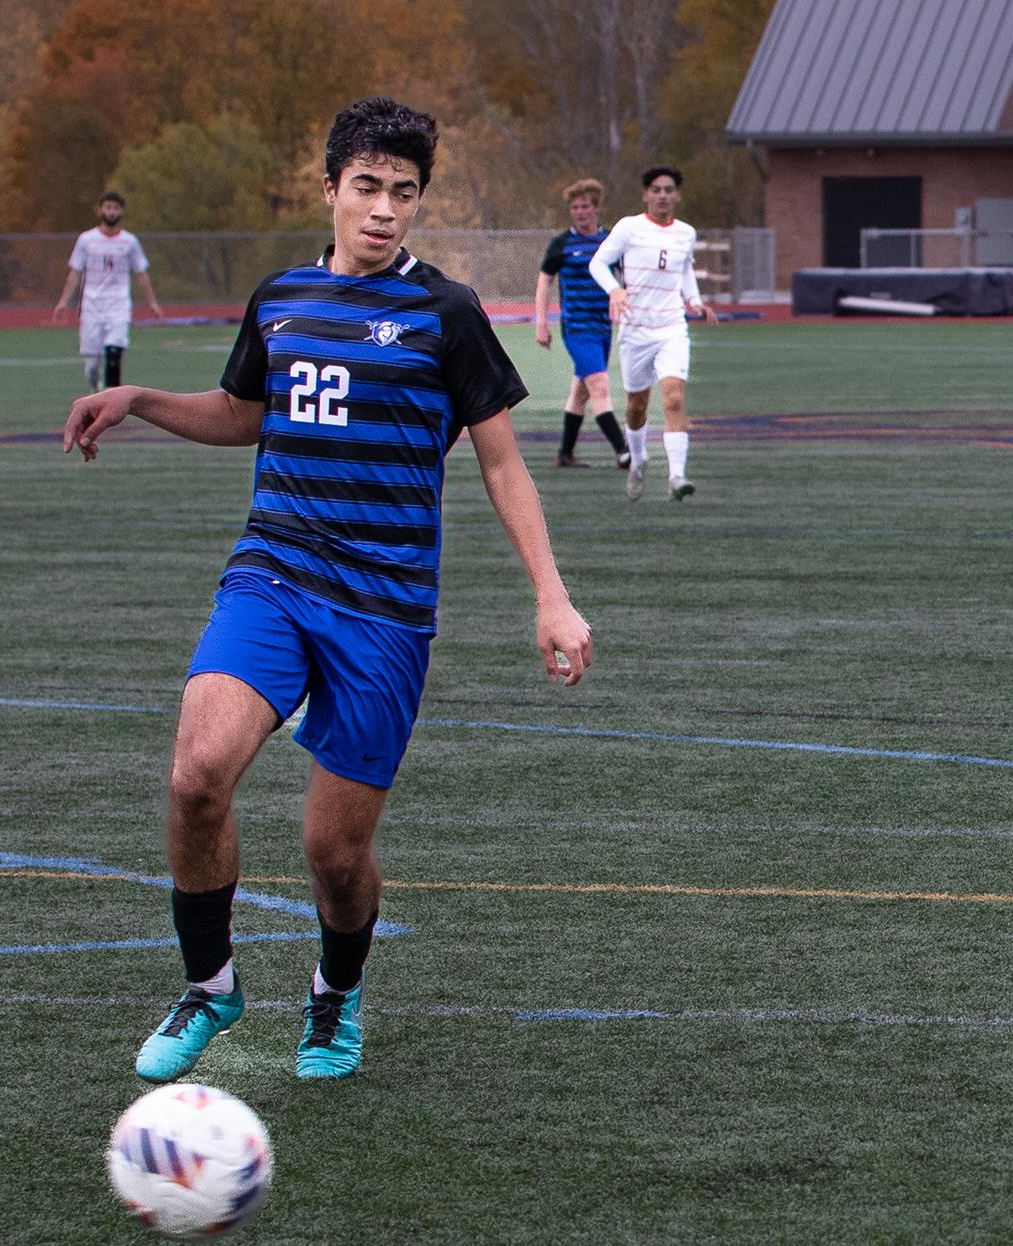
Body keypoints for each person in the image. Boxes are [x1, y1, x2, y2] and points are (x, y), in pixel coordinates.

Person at [62, 97, 593, 1083]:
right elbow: (241, 412)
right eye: (367, 188)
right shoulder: (282, 298)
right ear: (330, 190)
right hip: (272, 573)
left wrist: (550, 596)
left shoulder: (447, 313)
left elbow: (502, 466)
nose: (385, 209)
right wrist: (138, 398)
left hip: (384, 609)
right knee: (195, 774)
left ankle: (335, 994)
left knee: (333, 856)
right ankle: (211, 985)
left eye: (404, 192)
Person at [590, 165, 718, 501]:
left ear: (677, 195)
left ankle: (677, 476)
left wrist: (695, 301)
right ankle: (639, 460)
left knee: (674, 397)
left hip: (672, 327)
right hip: (635, 330)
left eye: (669, 190)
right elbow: (598, 264)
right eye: (656, 190)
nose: (663, 195)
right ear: (646, 194)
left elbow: (685, 268)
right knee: (636, 405)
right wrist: (616, 290)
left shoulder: (685, 233)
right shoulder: (629, 228)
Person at [535, 177, 629, 470]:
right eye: (574, 207)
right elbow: (544, 282)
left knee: (581, 391)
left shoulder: (610, 242)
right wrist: (541, 322)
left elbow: (628, 278)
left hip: (603, 327)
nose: (579, 212)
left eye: (585, 206)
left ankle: (565, 453)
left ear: (596, 208)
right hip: (576, 328)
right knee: (600, 386)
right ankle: (624, 451)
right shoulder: (562, 243)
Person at [53, 191, 165, 390]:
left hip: (118, 305)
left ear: (121, 211)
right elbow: (75, 273)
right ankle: (96, 391)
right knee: (92, 367)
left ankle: (111, 408)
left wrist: (153, 303)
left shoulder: (130, 242)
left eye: (115, 208)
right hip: (91, 306)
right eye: (107, 207)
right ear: (101, 210)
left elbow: (141, 273)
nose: (111, 212)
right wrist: (63, 302)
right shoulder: (86, 240)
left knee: (114, 354)